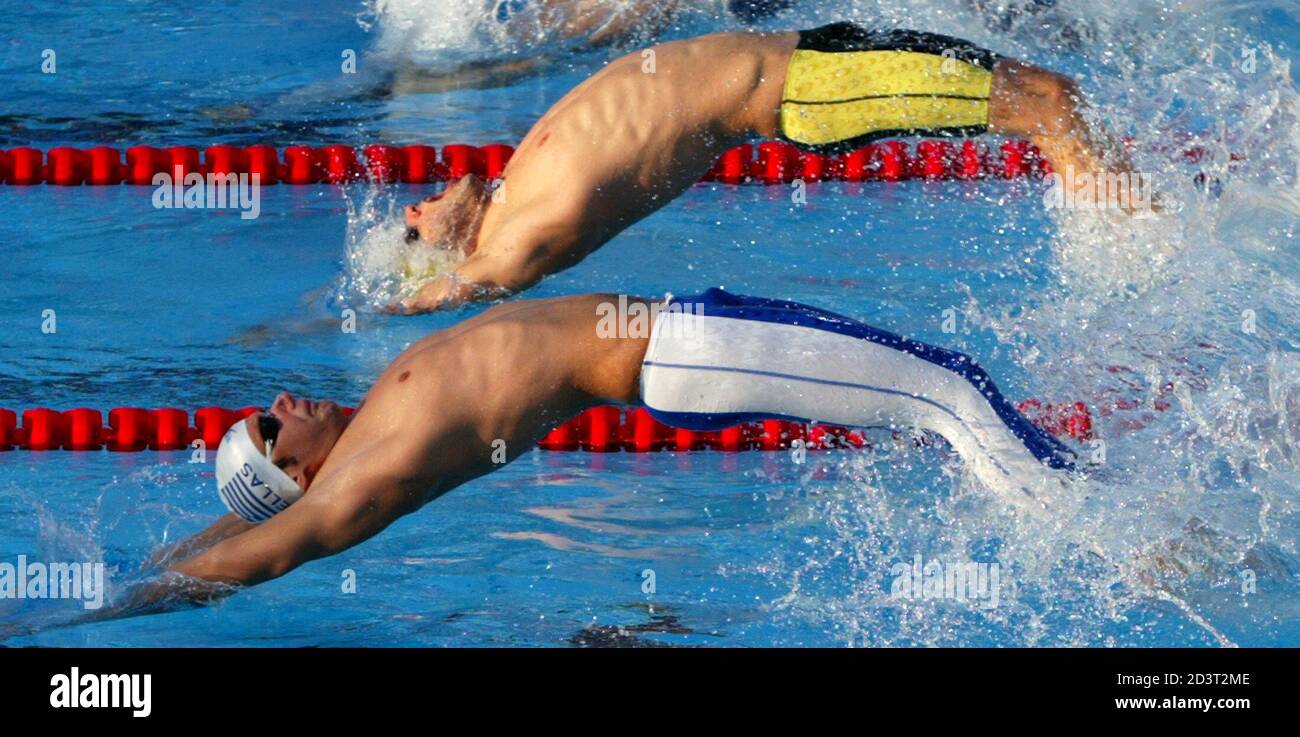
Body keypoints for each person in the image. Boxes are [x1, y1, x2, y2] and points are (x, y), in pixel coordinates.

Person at [99, 288, 1074, 618]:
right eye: (269, 431)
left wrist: (160, 555)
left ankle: (1074, 502)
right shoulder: (357, 479)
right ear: (299, 472)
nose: (276, 403)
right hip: (677, 351)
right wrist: (108, 604)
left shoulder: (363, 430)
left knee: (942, 384)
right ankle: (1104, 537)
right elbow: (275, 543)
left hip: (683, 335)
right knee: (945, 393)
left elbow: (248, 520)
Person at [397, 21, 1138, 312]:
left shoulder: (514, 187)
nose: (411, 208)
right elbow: (480, 281)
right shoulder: (521, 237)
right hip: (815, 86)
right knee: (1051, 105)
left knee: (1051, 104)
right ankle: (1138, 259)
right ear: (443, 254)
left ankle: (1128, 239)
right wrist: (412, 298)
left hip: (812, 61)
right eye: (410, 228)